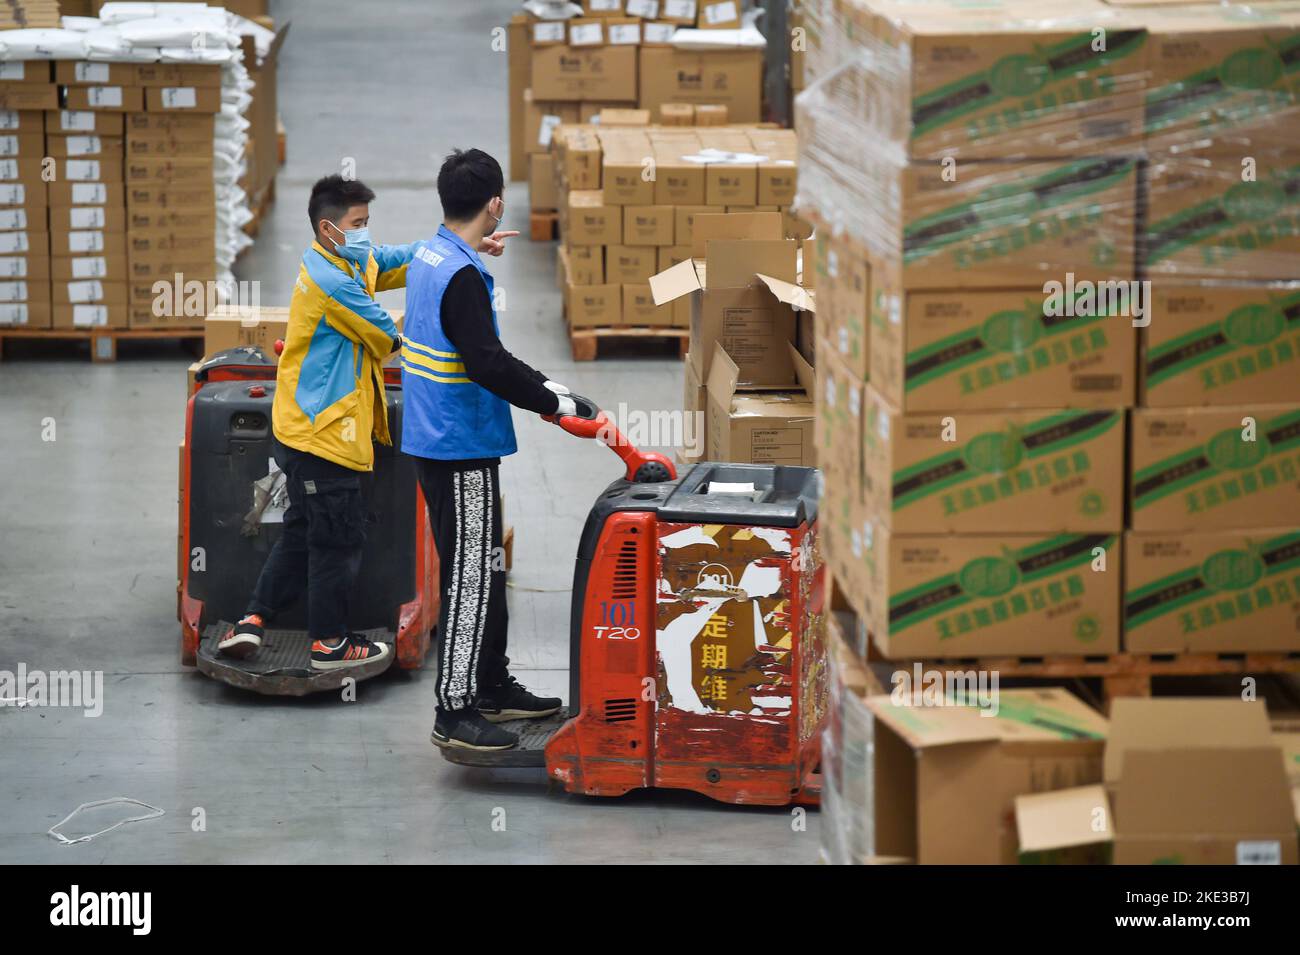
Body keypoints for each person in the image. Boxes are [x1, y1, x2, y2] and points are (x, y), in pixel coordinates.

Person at [402, 148, 568, 752]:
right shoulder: (462, 276)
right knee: (472, 576)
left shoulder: (434, 254)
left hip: (436, 436)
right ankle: (456, 708)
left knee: (486, 566)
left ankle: (491, 684)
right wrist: (553, 399)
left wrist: (477, 251)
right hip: (458, 446)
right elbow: (488, 362)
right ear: (494, 204)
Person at [217, 174, 413, 670]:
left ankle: (253, 621)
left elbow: (390, 260)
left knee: (302, 530)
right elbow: (387, 337)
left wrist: (455, 247)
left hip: (299, 427)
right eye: (358, 224)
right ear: (329, 228)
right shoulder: (333, 284)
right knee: (337, 537)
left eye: (369, 222)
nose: (367, 233)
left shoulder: (339, 257)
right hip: (325, 435)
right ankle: (330, 644)